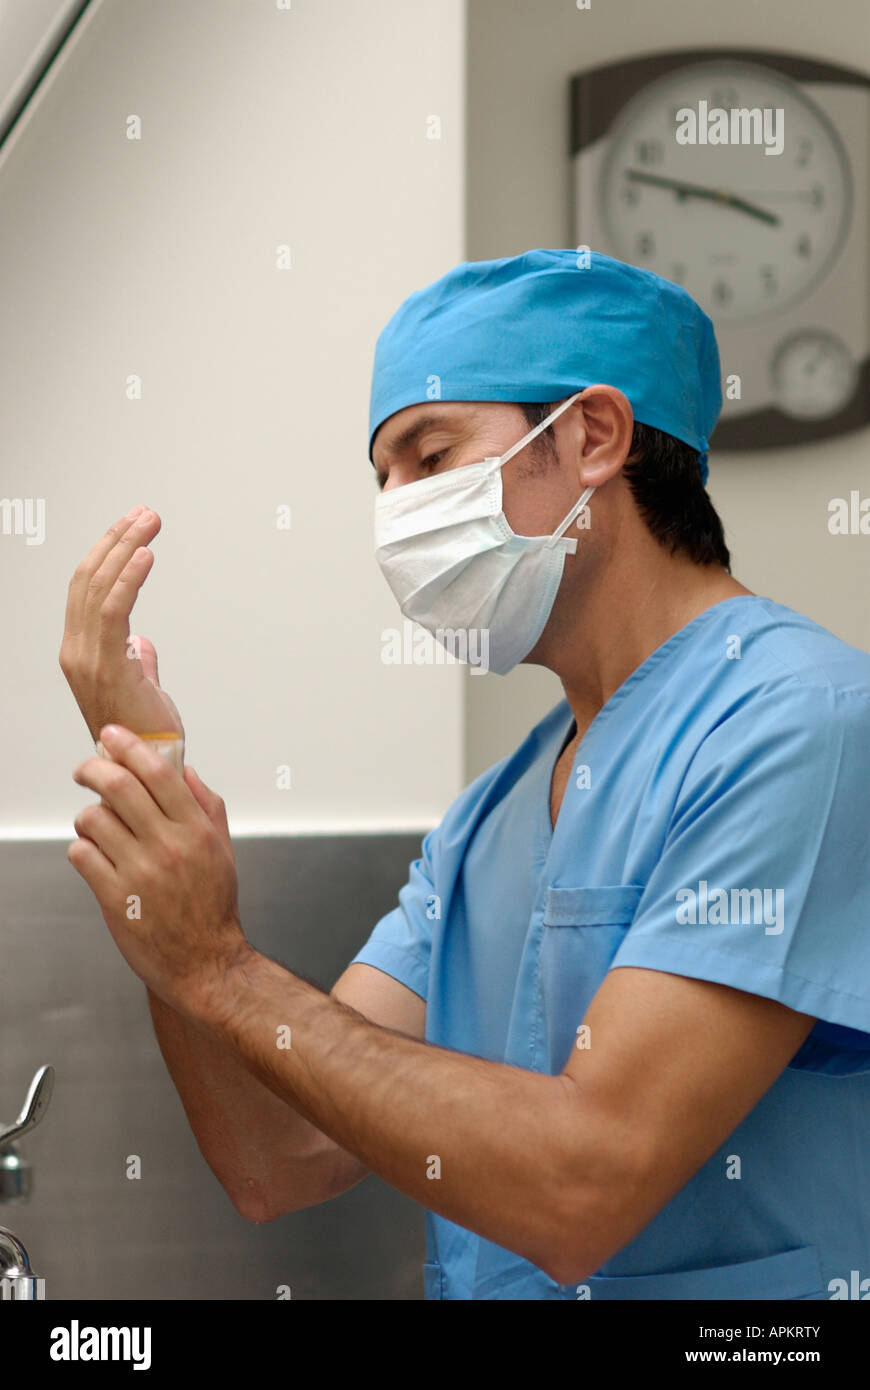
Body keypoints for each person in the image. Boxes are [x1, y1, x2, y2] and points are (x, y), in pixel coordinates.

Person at [60, 248, 870, 1301]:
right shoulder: (490, 819)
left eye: (429, 456)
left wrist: (218, 965)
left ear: (591, 437)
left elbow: (586, 1186)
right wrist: (155, 810)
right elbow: (279, 1158)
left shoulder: (804, 724)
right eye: (381, 477)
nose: (395, 512)